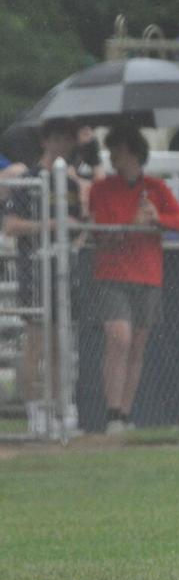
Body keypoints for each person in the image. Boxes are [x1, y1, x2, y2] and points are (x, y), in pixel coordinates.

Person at [88, 123, 179, 433]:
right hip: (113, 273)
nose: (113, 158)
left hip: (147, 274)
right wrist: (131, 224)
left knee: (137, 346)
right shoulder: (101, 189)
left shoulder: (156, 189)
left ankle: (124, 413)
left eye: (117, 151)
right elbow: (101, 233)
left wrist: (158, 219)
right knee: (119, 336)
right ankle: (111, 412)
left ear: (133, 152)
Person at [2, 118, 83, 436]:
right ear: (46, 141)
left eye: (69, 140)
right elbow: (11, 226)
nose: (64, 146)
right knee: (35, 339)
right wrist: (49, 227)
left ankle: (60, 407)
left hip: (62, 271)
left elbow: (79, 223)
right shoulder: (29, 180)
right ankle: (35, 410)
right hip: (34, 267)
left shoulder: (72, 185)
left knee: (61, 342)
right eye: (59, 139)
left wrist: (73, 237)